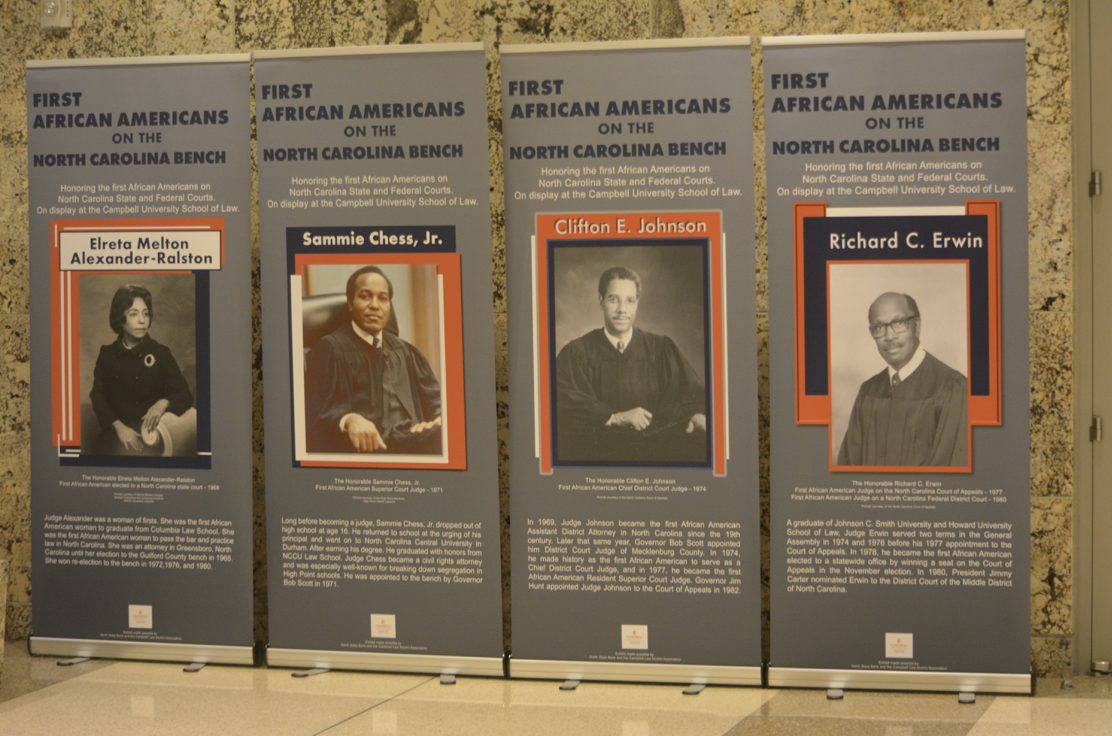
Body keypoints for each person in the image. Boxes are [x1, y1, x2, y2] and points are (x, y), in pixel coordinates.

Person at [554, 266, 707, 464]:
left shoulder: (661, 349)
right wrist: (615, 417)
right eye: (613, 299)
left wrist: (694, 415)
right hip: (598, 464)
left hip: (655, 461)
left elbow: (689, 395)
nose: (622, 309)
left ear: (637, 304)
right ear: (601, 301)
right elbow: (564, 403)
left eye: (629, 300)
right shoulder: (576, 353)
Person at [305, 265, 442, 454]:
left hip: (416, 442)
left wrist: (439, 420)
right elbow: (314, 417)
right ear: (350, 303)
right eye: (365, 296)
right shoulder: (330, 350)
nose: (375, 305)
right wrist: (350, 420)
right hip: (372, 451)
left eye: (383, 298)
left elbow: (437, 402)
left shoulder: (406, 352)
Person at [837, 292, 968, 467]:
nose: (889, 336)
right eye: (878, 327)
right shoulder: (868, 392)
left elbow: (948, 475)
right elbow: (848, 469)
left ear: (916, 325)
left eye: (898, 323)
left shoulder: (952, 388)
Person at [89, 284, 193, 456]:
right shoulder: (107, 354)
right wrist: (118, 427)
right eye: (133, 314)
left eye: (145, 313)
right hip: (116, 435)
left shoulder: (161, 353)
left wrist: (164, 403)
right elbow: (98, 397)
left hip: (153, 437)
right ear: (120, 319)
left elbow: (185, 395)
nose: (142, 320)